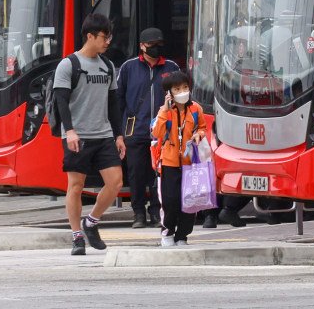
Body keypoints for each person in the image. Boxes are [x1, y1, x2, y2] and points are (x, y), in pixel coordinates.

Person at [52, 13, 126, 257]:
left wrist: (118, 135)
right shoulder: (69, 64)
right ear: (90, 36)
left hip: (103, 133)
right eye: (104, 37)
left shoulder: (107, 66)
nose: (107, 42)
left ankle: (91, 222)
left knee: (115, 182)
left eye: (109, 37)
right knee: (76, 185)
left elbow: (113, 103)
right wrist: (70, 131)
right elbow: (61, 100)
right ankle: (76, 237)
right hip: (78, 135)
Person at [117, 27, 180, 228]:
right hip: (136, 130)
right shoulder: (128, 68)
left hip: (164, 132)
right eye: (152, 45)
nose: (156, 48)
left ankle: (156, 211)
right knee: (136, 173)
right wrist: (118, 133)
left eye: (159, 45)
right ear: (142, 46)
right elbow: (118, 101)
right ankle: (138, 213)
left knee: (159, 174)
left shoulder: (171, 67)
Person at [151, 69, 208, 247]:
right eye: (177, 89)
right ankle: (167, 231)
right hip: (169, 162)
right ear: (169, 93)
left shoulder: (195, 108)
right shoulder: (164, 112)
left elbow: (202, 127)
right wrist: (164, 111)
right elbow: (156, 133)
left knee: (189, 201)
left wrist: (199, 134)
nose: (182, 91)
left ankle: (182, 235)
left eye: (185, 87)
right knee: (170, 200)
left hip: (190, 162)